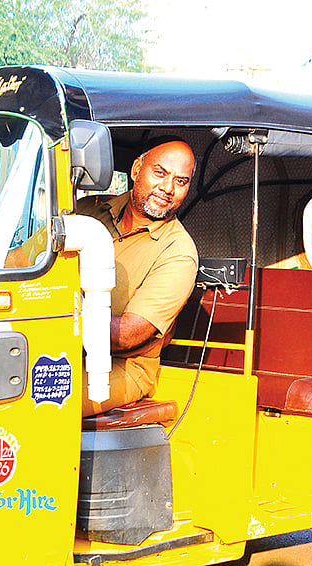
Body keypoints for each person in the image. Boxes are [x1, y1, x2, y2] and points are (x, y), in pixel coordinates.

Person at [76, 137, 199, 417]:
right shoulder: (89, 211)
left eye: (181, 181)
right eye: (160, 173)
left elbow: (128, 335)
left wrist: (53, 318)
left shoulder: (179, 252)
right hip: (52, 346)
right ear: (135, 170)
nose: (168, 188)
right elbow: (20, 261)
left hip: (121, 366)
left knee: (44, 395)